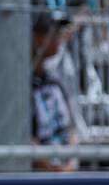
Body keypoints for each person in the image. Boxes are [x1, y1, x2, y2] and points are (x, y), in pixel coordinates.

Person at [31, 12, 79, 172]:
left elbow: (71, 130)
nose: (58, 36)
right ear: (34, 37)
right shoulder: (23, 87)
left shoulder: (54, 82)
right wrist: (53, 170)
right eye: (50, 32)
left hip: (63, 169)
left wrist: (71, 164)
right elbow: (25, 138)